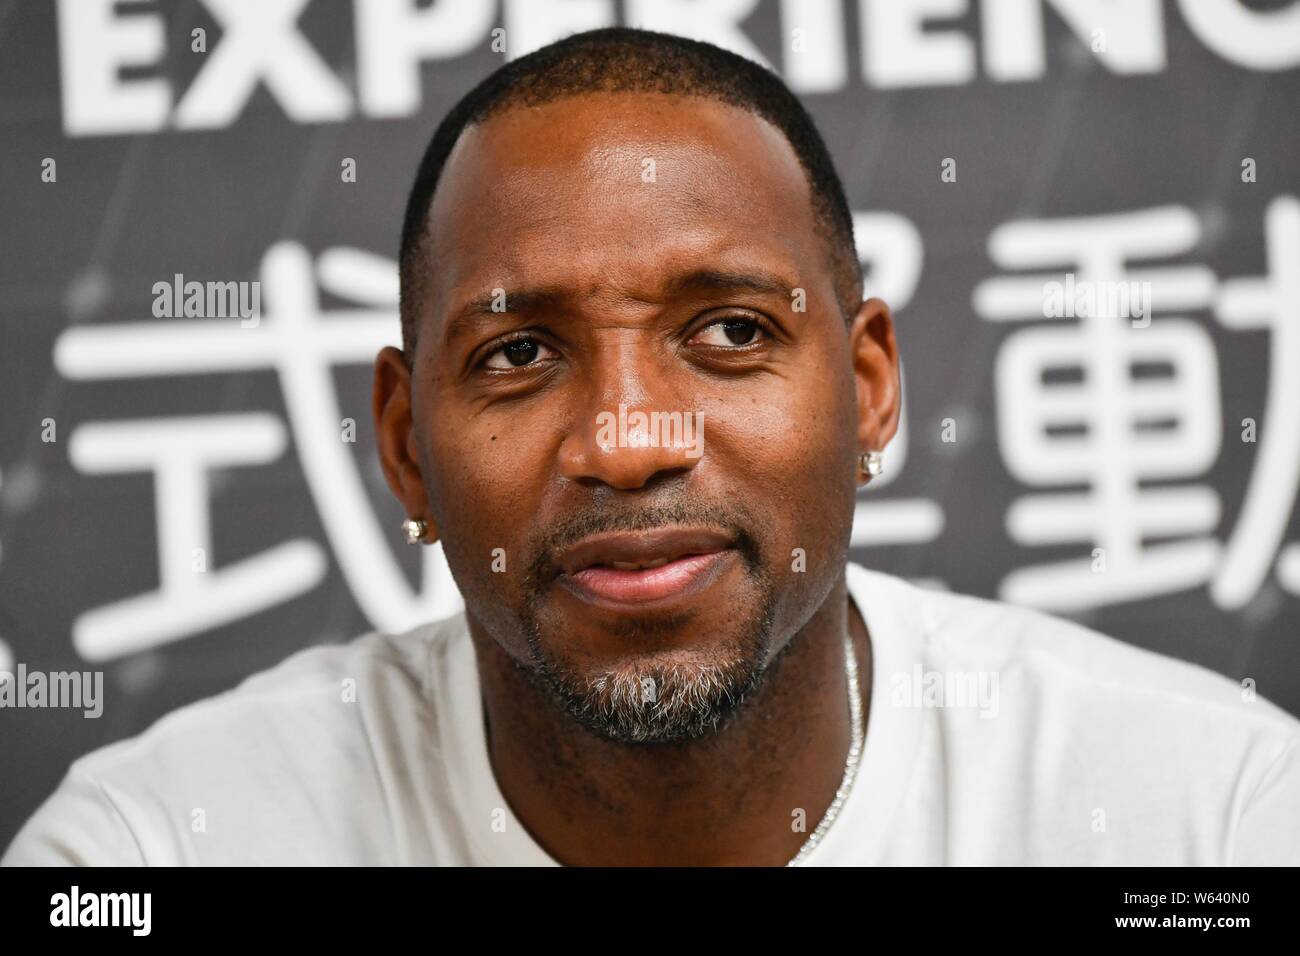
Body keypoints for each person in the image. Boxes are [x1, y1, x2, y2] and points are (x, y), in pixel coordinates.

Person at [5, 27, 1298, 867]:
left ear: (869, 390)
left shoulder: (1206, 825)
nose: (628, 441)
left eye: (729, 330)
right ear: (405, 444)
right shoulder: (154, 855)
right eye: (519, 354)